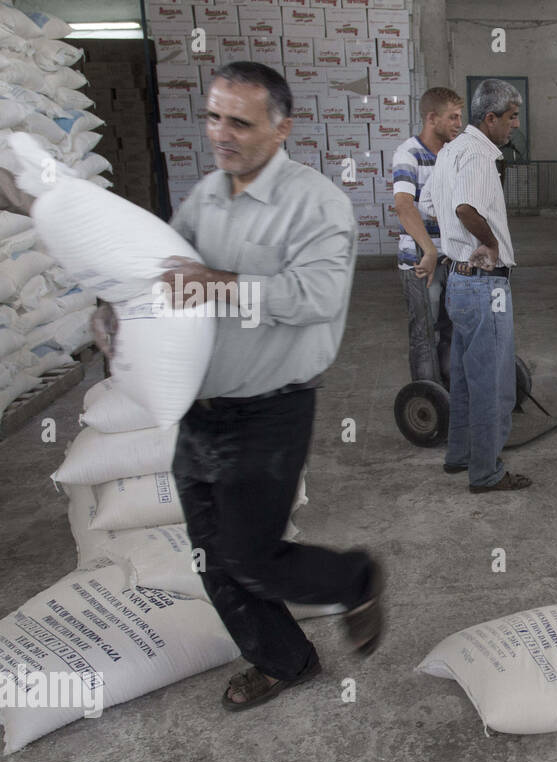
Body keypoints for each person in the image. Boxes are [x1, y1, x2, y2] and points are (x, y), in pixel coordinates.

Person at [91, 62, 383, 711]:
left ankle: (356, 576)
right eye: (215, 117)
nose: (222, 134)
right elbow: (163, 273)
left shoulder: (317, 204)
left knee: (251, 555)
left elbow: (314, 297)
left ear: (281, 129)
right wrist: (120, 311)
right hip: (202, 410)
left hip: (269, 413)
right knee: (211, 558)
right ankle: (283, 659)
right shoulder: (207, 197)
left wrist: (216, 283)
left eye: (240, 122)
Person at [424, 78, 530, 493]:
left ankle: (461, 454)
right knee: (495, 386)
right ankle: (487, 472)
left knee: (468, 379)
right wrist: (488, 243)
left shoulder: (449, 152)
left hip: (458, 282)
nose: (514, 126)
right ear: (490, 118)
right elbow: (465, 207)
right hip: (485, 285)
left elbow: (434, 206)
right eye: (511, 117)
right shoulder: (480, 156)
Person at [391, 86, 463, 387]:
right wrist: (429, 251)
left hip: (450, 258)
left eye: (460, 117)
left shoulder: (451, 154)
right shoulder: (408, 154)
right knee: (425, 332)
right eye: (453, 117)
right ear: (432, 118)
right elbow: (404, 206)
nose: (459, 124)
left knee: (449, 329)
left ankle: (450, 397)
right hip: (422, 261)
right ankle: (428, 407)